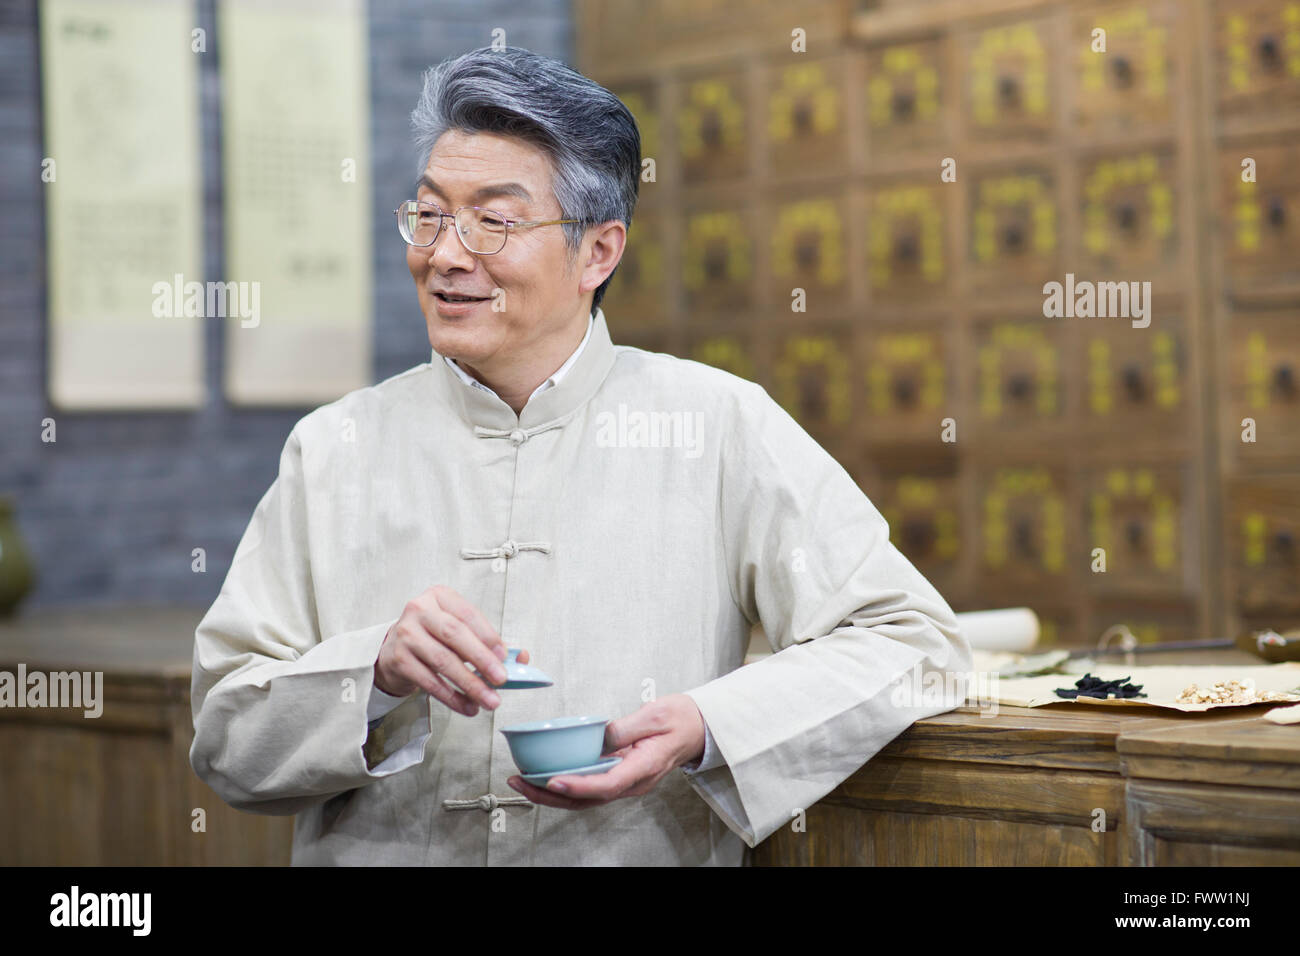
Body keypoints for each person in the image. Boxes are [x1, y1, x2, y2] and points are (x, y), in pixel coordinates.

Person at [189, 45, 972, 866]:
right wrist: (373, 673)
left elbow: (910, 640)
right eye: (429, 214)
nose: (447, 254)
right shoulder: (334, 448)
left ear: (598, 252)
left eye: (494, 221)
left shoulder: (717, 424)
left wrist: (709, 726)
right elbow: (224, 737)